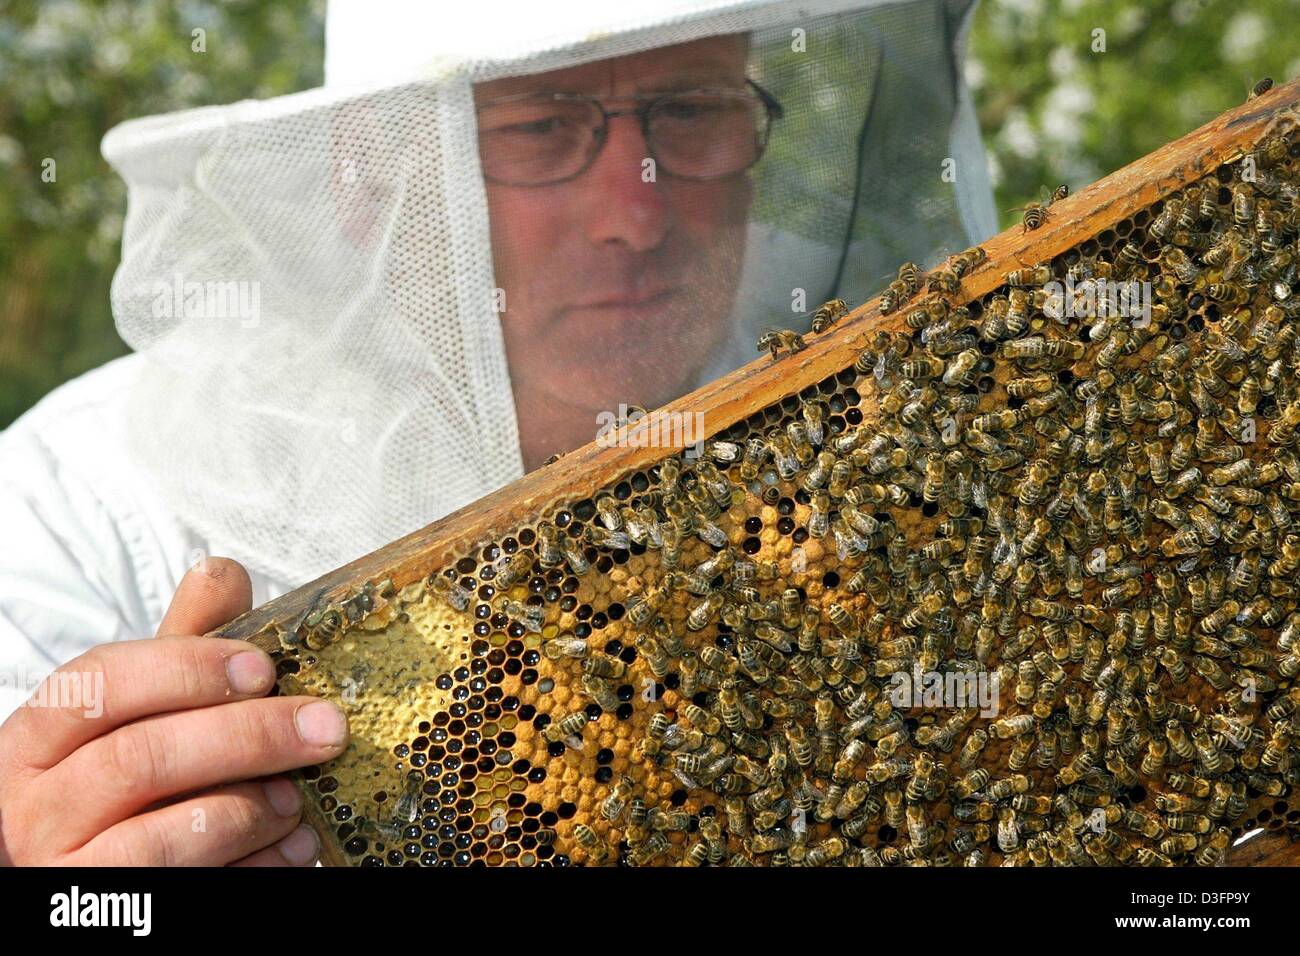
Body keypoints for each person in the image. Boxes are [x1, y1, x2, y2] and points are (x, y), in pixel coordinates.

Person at [0, 0, 995, 864]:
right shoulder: (70, 516)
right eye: (538, 127)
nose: (635, 214)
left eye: (691, 110)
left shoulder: (873, 453)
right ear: (369, 177)